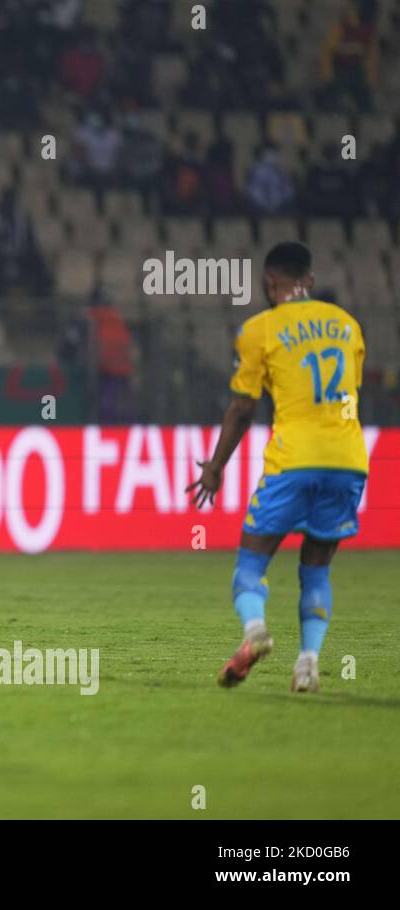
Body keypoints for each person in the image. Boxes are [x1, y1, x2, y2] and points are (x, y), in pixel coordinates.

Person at [187, 242, 368, 693]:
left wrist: (215, 467)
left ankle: (255, 631)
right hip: (348, 459)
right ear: (308, 279)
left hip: (293, 461)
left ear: (271, 283)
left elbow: (243, 409)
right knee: (317, 570)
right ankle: (307, 662)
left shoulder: (259, 330)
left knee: (250, 565)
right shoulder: (348, 326)